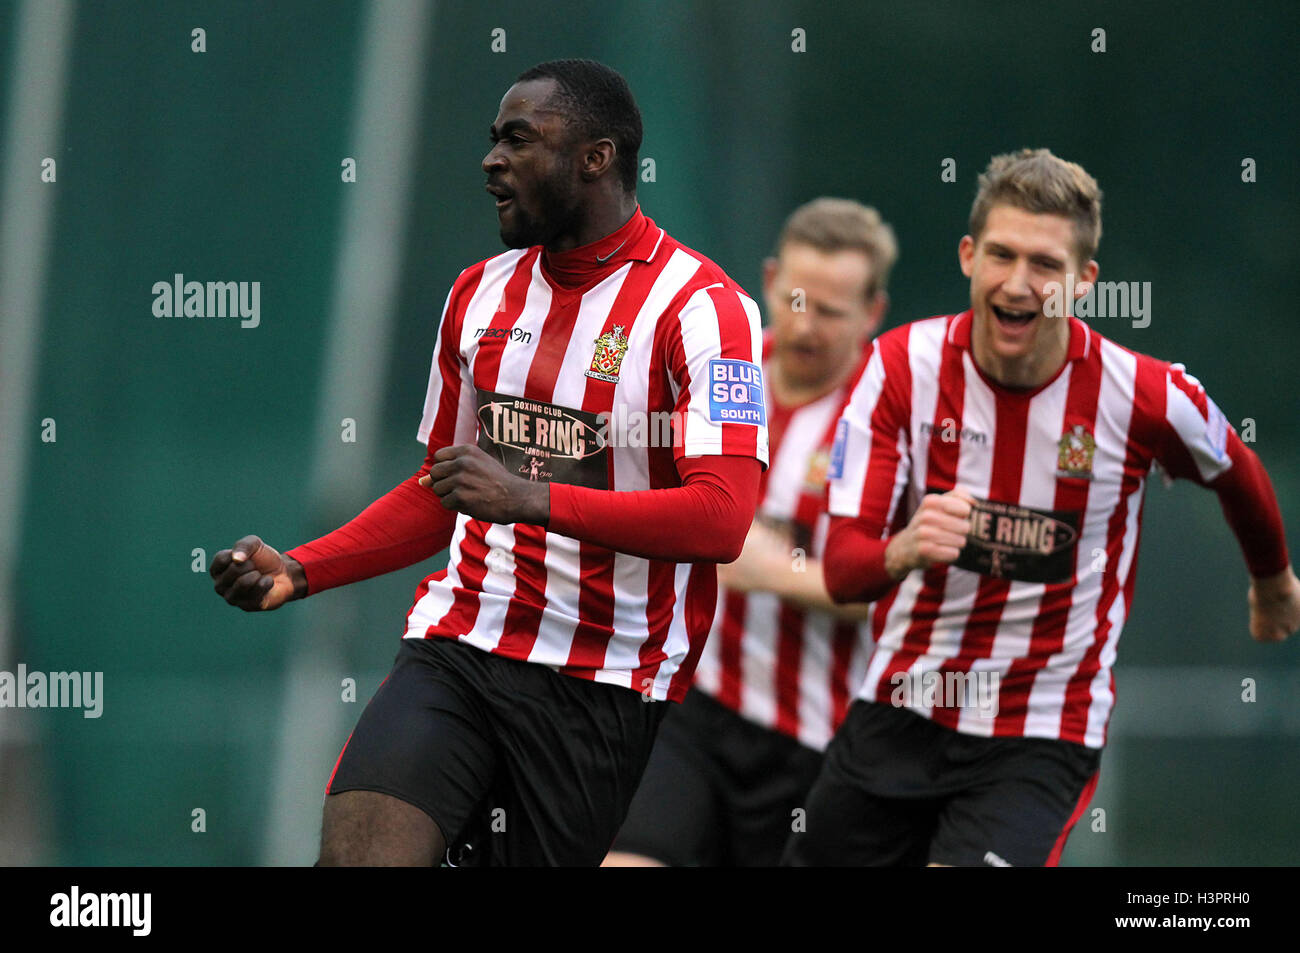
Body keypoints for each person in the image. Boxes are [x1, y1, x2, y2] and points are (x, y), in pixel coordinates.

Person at [209, 59, 769, 866]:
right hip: (461, 646)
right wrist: (302, 570)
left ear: (596, 157)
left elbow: (722, 517)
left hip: (603, 684)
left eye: (519, 139)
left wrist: (534, 499)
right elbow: (447, 491)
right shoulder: (478, 293)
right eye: (491, 139)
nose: (491, 159)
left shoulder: (706, 311)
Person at [784, 148, 1300, 867]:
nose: (1018, 283)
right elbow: (842, 571)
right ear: (968, 256)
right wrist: (902, 549)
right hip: (900, 708)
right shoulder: (899, 368)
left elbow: (1236, 471)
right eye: (1000, 254)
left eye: (1045, 264)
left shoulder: (1143, 395)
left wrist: (1273, 580)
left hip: (1041, 731)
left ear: (1084, 282)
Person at [604, 199, 894, 866]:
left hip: (816, 743)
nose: (805, 324)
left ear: (872, 314)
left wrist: (774, 570)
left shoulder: (887, 415)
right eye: (796, 300)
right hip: (691, 709)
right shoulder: (719, 376)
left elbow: (895, 590)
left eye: (830, 311)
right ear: (768, 280)